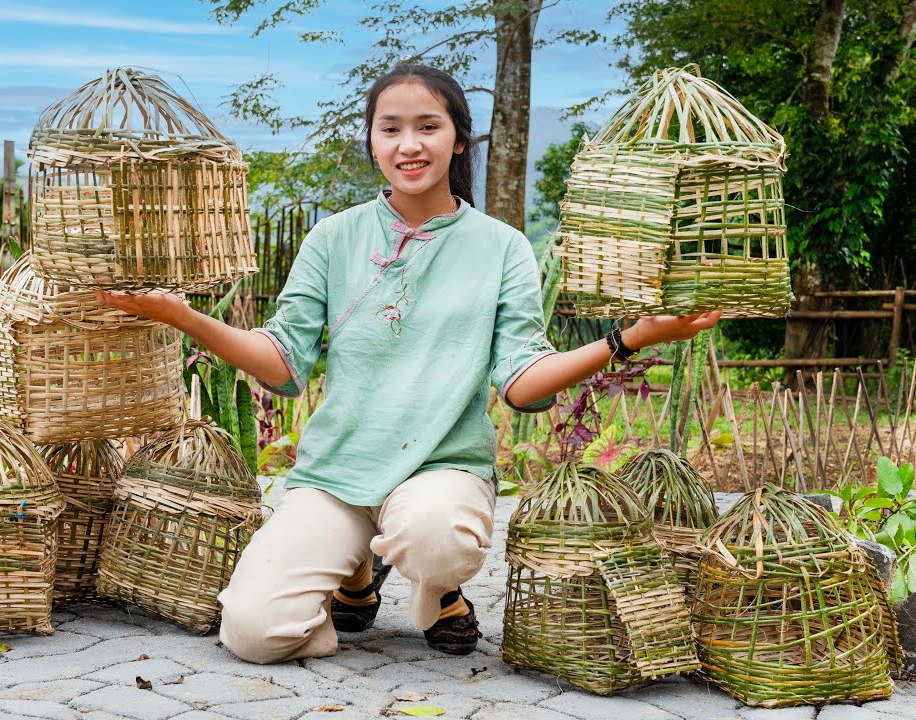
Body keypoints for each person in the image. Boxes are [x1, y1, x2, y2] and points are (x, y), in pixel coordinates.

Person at [96, 64, 720, 665]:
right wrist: (182, 316)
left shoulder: (502, 248)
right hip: (337, 475)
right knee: (254, 634)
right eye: (390, 128)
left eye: (428, 126)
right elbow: (282, 363)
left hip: (441, 472)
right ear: (372, 141)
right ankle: (356, 574)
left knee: (435, 538)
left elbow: (522, 383)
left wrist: (628, 339)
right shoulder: (332, 238)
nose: (409, 144)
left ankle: (438, 593)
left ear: (459, 139)